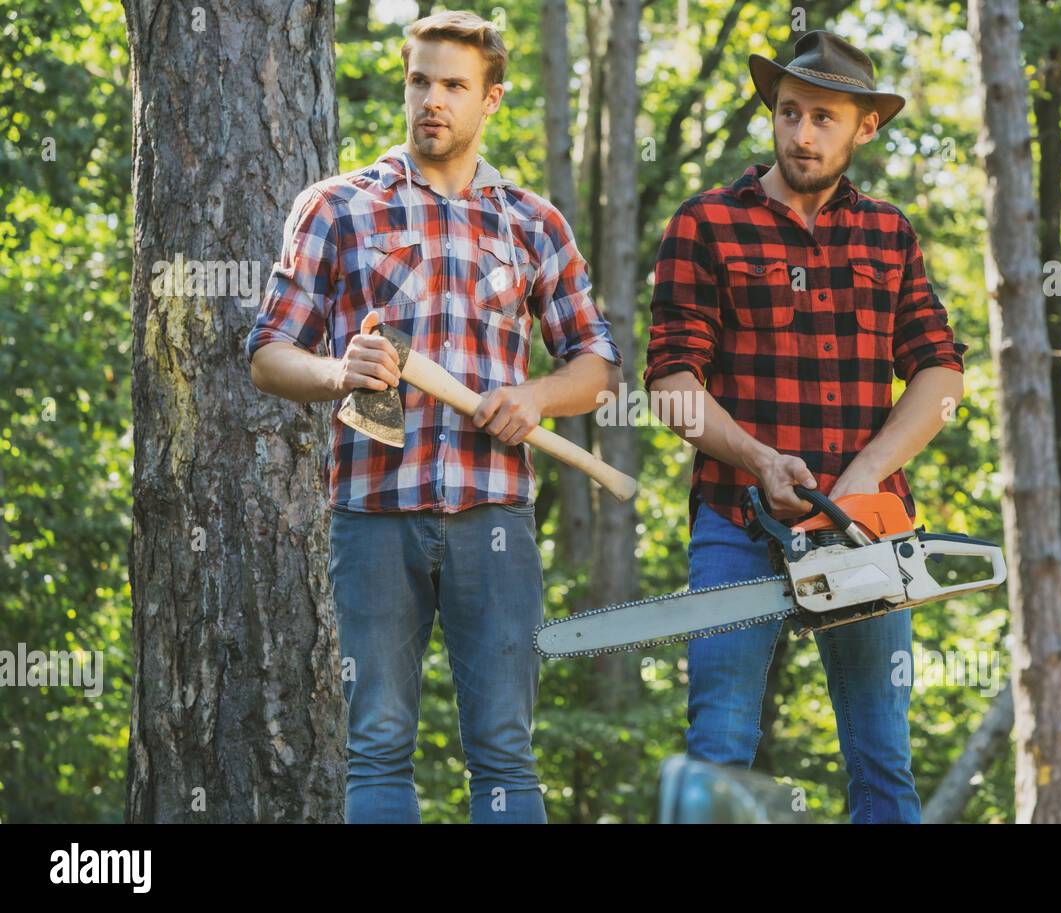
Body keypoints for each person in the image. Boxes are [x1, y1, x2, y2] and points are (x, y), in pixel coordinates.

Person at [246, 10, 621, 824]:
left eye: (454, 85)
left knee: (505, 750)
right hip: (375, 513)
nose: (432, 101)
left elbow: (595, 366)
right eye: (420, 81)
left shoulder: (533, 222)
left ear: (491, 99)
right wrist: (338, 369)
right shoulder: (336, 208)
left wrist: (535, 397)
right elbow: (269, 353)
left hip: (495, 516)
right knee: (377, 744)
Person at [644, 30, 966, 824]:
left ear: (865, 127)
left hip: (865, 536)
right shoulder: (707, 223)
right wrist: (757, 459)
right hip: (735, 522)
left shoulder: (889, 234)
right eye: (789, 113)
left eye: (823, 117)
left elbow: (941, 372)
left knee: (882, 759)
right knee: (718, 747)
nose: (802, 133)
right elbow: (670, 384)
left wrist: (860, 480)